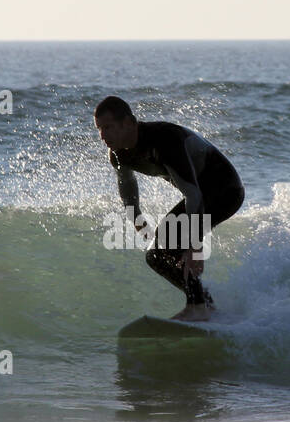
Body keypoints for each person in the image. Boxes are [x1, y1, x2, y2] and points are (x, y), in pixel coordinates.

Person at [95, 95, 244, 321]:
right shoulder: (118, 154)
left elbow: (193, 194)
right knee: (155, 256)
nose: (103, 135)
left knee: (170, 233)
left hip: (226, 190)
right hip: (201, 194)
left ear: (128, 123)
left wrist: (195, 245)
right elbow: (127, 185)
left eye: (108, 127)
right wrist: (136, 218)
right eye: (99, 129)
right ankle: (205, 304)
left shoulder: (164, 139)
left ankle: (198, 306)